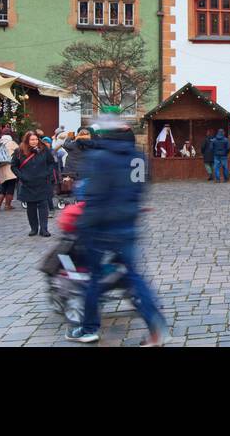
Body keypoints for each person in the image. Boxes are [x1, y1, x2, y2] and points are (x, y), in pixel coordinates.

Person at [66, 116, 167, 345]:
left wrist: (82, 226)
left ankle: (89, 328)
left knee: (93, 279)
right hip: (128, 223)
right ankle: (155, 326)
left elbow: (95, 196)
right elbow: (142, 187)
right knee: (134, 276)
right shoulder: (138, 157)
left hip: (101, 227)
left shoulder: (100, 158)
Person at [12, 130, 57, 237]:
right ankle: (34, 228)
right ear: (27, 140)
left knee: (43, 206)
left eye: (36, 139)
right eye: (32, 139)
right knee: (31, 207)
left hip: (42, 182)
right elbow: (13, 166)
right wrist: (22, 176)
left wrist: (47, 173)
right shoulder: (19, 151)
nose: (35, 141)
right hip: (28, 183)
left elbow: (51, 163)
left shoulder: (44, 149)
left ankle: (44, 229)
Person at [0, 133, 18, 210]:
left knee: (2, 187)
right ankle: (7, 205)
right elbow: (19, 151)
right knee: (11, 187)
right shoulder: (11, 143)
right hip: (10, 168)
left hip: (1, 169)